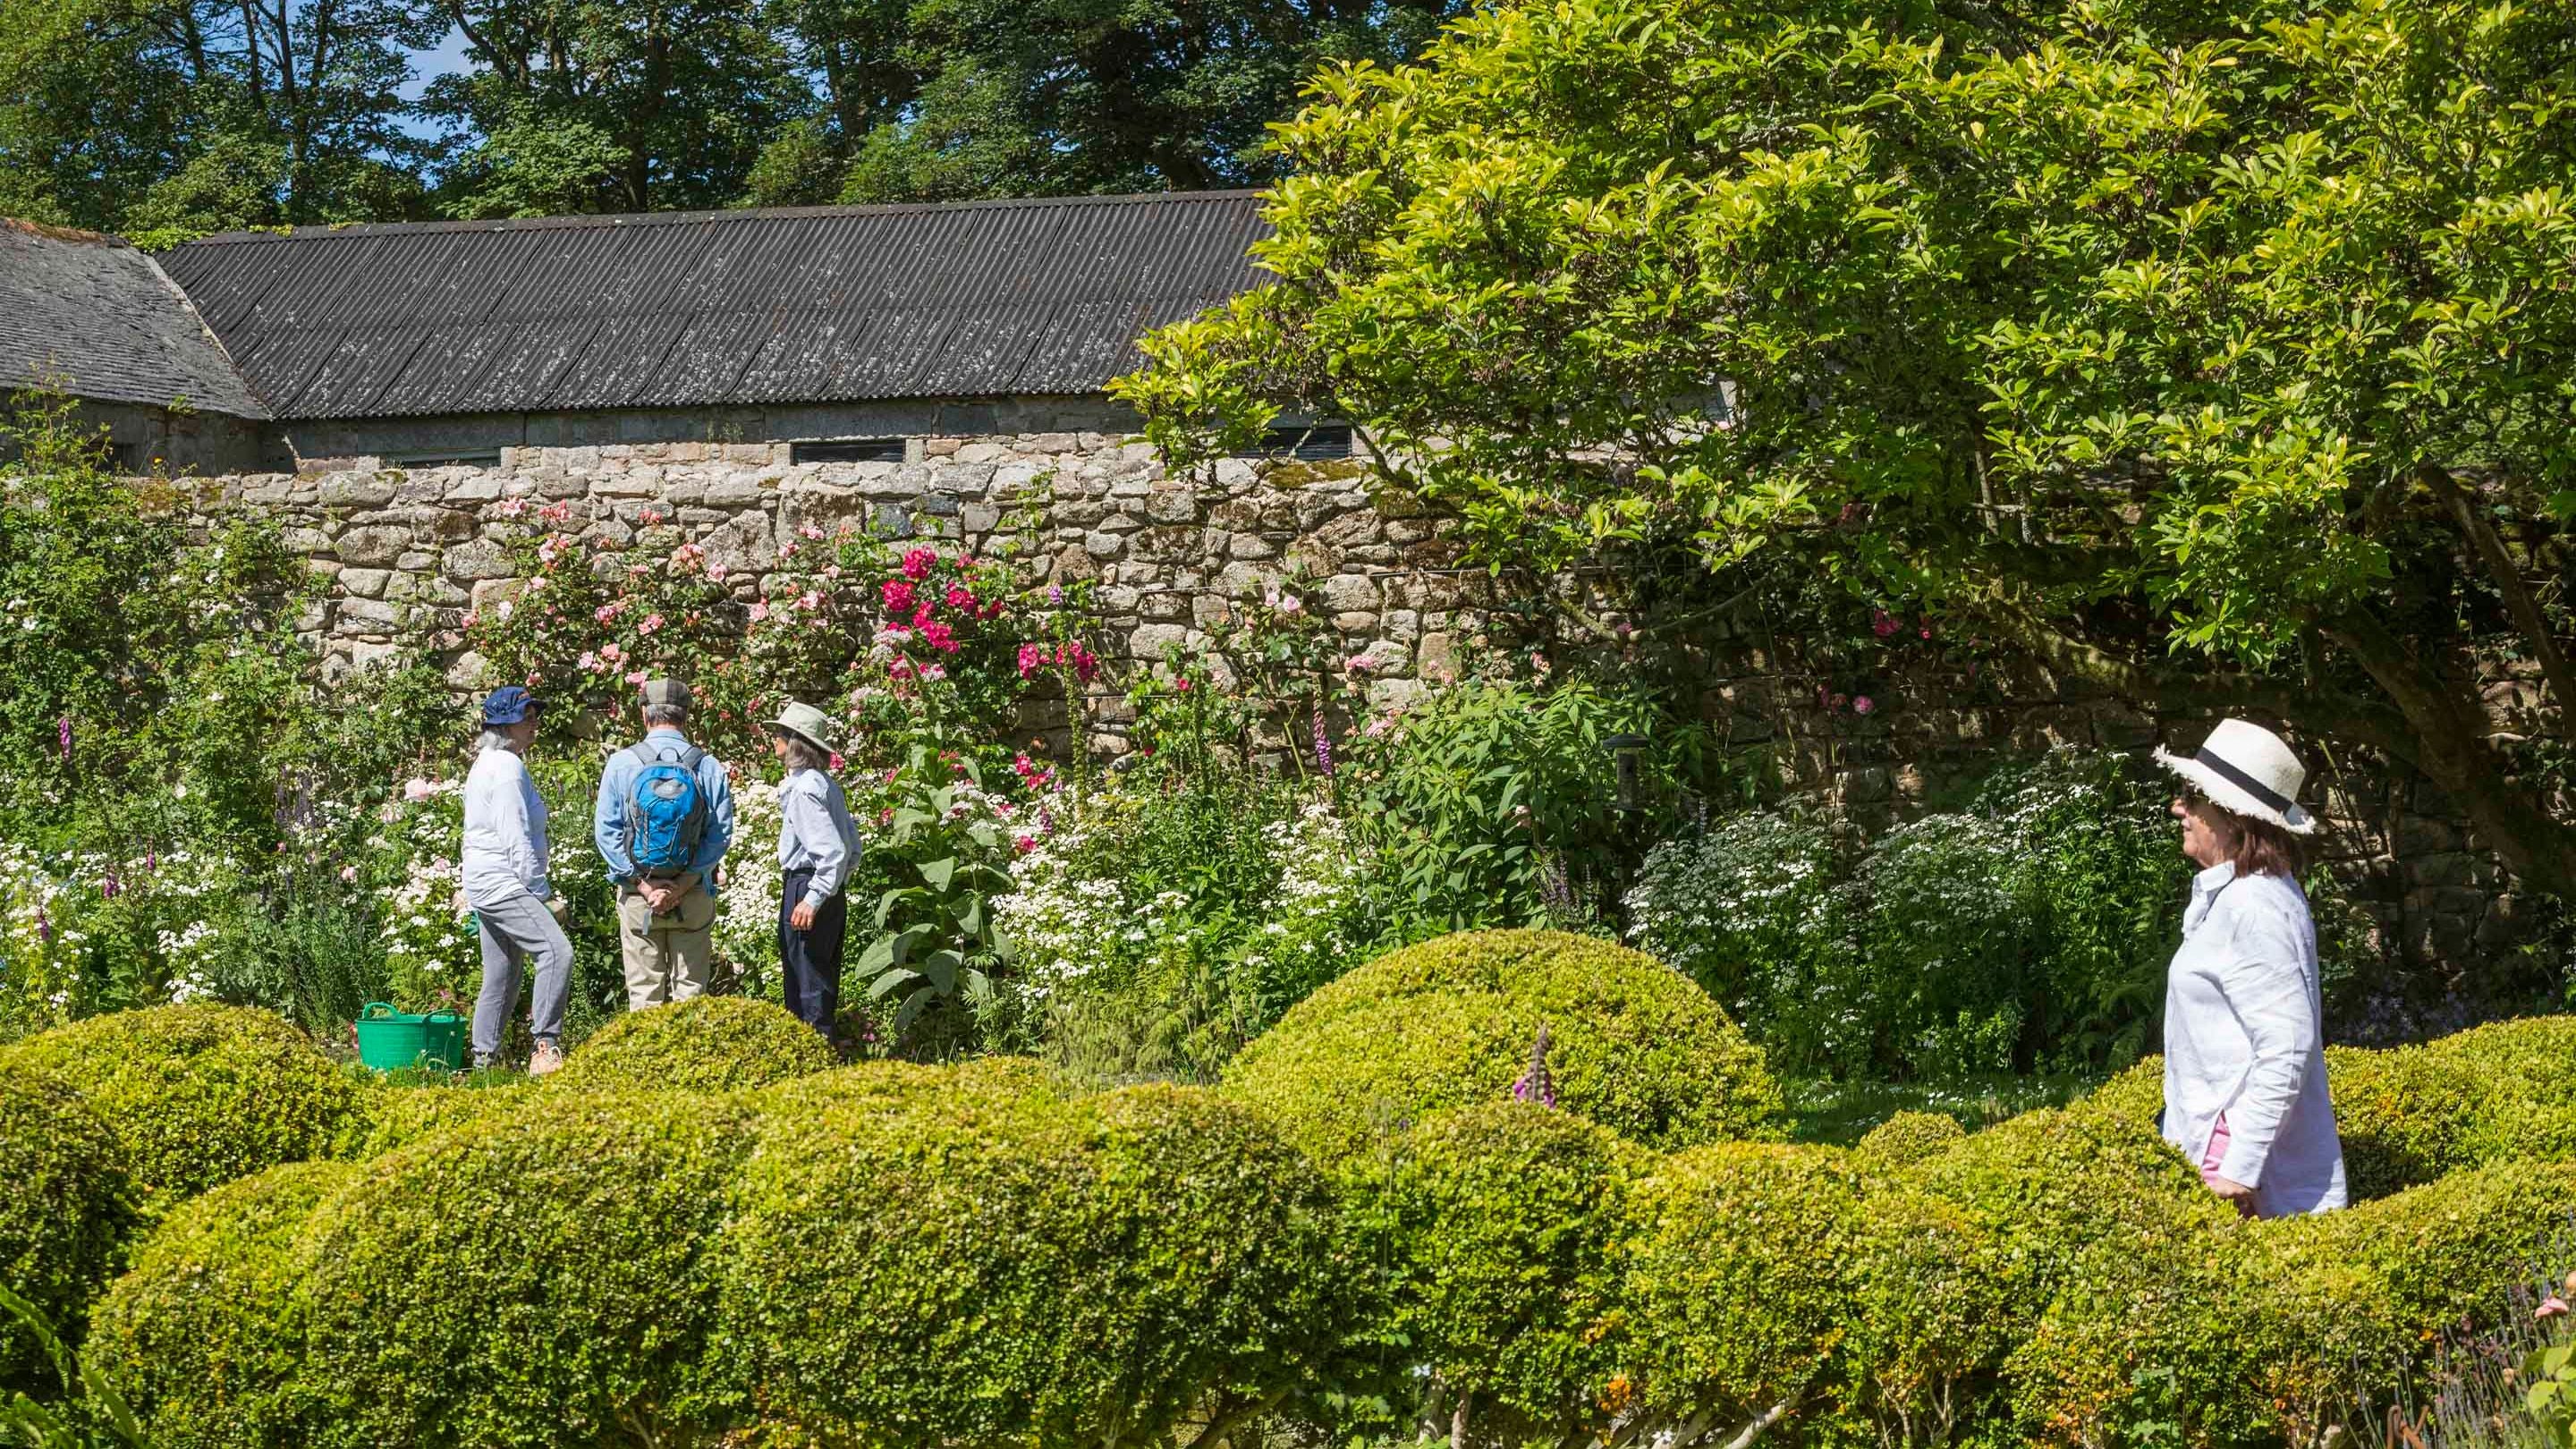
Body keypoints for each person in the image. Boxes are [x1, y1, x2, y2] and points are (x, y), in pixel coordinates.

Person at [2155, 717, 2347, 1218]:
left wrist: (2237, 1171)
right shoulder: (2244, 894)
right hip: (2216, 1146)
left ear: (2233, 817)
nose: (2179, 807)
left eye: (2191, 797)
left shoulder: (2255, 908)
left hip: (2235, 1171)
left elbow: (2287, 1046)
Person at [592, 678, 734, 1011]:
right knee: (691, 992)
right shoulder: (707, 766)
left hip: (639, 898)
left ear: (645, 714)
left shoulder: (622, 764)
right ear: (686, 716)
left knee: (644, 994)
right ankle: (690, 1062)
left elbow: (607, 832)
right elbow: (720, 833)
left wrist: (644, 887)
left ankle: (646, 1063)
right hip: (693, 894)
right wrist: (683, 886)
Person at [462, 685, 573, 1074]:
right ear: (505, 725)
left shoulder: (488, 762)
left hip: (486, 884)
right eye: (527, 717)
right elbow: (515, 836)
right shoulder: (507, 769)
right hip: (505, 883)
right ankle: (545, 1047)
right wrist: (541, 894)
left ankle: (483, 1065)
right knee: (557, 953)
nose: (534, 724)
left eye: (534, 716)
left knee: (503, 975)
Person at [767, 700, 860, 1038]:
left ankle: (816, 1069)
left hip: (807, 888)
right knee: (818, 981)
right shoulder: (823, 783)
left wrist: (813, 896)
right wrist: (831, 890)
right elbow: (853, 849)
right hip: (823, 891)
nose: (773, 739)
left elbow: (834, 852)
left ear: (794, 742)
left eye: (779, 733)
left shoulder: (806, 789)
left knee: (806, 989)